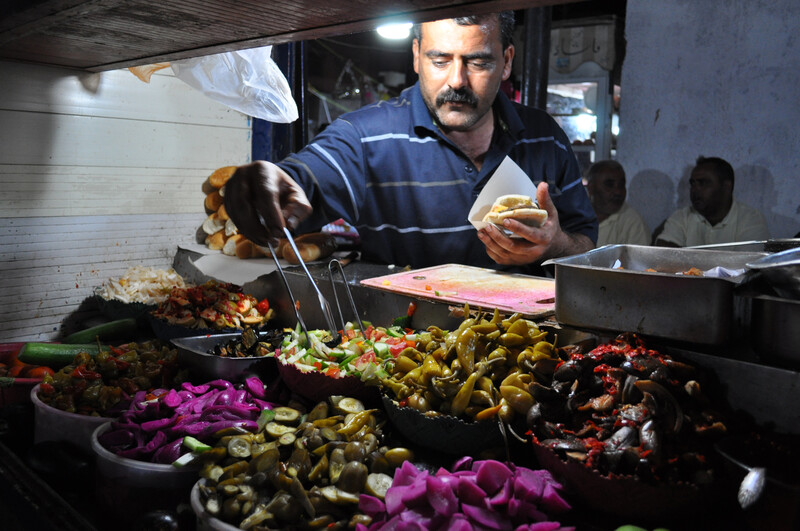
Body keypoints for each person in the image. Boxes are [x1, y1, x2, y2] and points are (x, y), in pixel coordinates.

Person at [224, 12, 597, 274]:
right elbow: (305, 177)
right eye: (439, 60)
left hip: (526, 359)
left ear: (507, 61)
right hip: (406, 357)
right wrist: (273, 180)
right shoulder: (365, 136)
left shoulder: (545, 137)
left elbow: (587, 247)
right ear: (416, 56)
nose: (457, 80)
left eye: (478, 62)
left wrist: (556, 244)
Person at [655, 156, 769, 247]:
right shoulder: (681, 217)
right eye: (693, 183)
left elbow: (747, 264)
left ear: (726, 187)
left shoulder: (750, 219)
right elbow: (664, 255)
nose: (695, 189)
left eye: (703, 183)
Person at [585, 160, 650, 246]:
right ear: (591, 188)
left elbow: (640, 258)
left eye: (621, 185)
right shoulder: (574, 215)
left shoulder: (633, 223)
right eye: (609, 185)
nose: (618, 192)